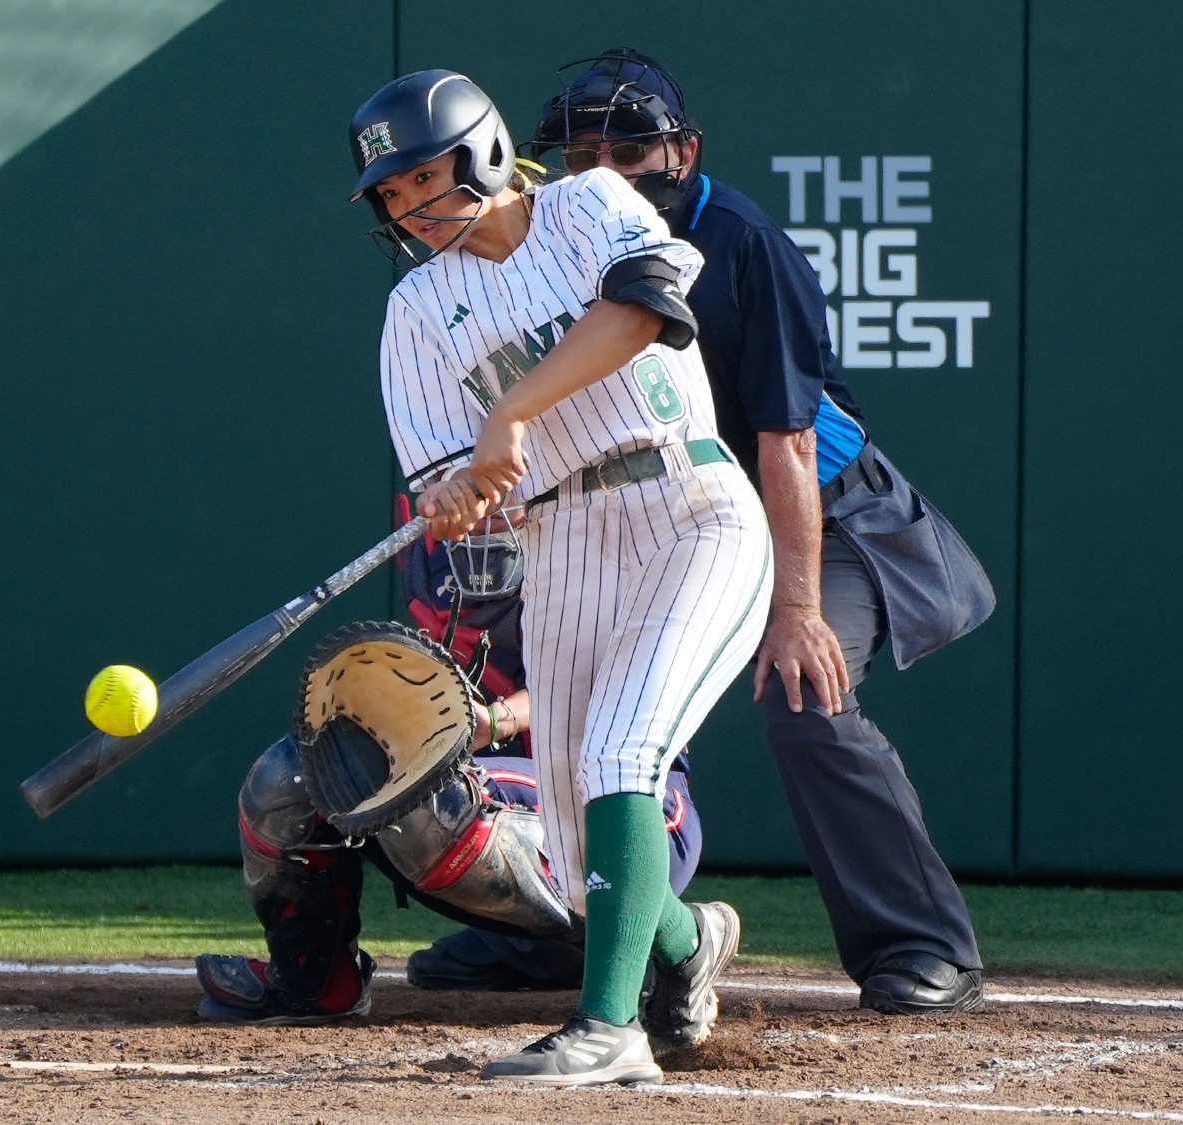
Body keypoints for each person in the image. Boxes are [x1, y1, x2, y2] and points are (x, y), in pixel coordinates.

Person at [527, 50, 996, 1016]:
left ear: (685, 152)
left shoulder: (744, 245)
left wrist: (795, 608)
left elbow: (788, 443)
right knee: (591, 708)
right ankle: (548, 935)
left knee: (802, 693)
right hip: (670, 517)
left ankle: (924, 944)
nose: (605, 171)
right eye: (581, 154)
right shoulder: (557, 247)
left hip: (828, 513)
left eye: (629, 148)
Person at [349, 68, 773, 1085]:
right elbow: (451, 476)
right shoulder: (415, 310)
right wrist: (457, 495)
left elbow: (642, 310)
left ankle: (607, 1028)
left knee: (624, 751)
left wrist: (510, 414)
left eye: (424, 177)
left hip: (687, 504)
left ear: (486, 152)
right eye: (393, 194)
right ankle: (688, 945)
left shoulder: (588, 202)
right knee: (580, 869)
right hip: (562, 540)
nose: (412, 206)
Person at [192, 518, 703, 1023]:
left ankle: (655, 944)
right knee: (292, 779)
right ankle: (317, 982)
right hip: (504, 796)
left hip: (628, 808)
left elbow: (608, 682)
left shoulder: (604, 527)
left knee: (439, 803)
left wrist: (497, 719)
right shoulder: (431, 550)